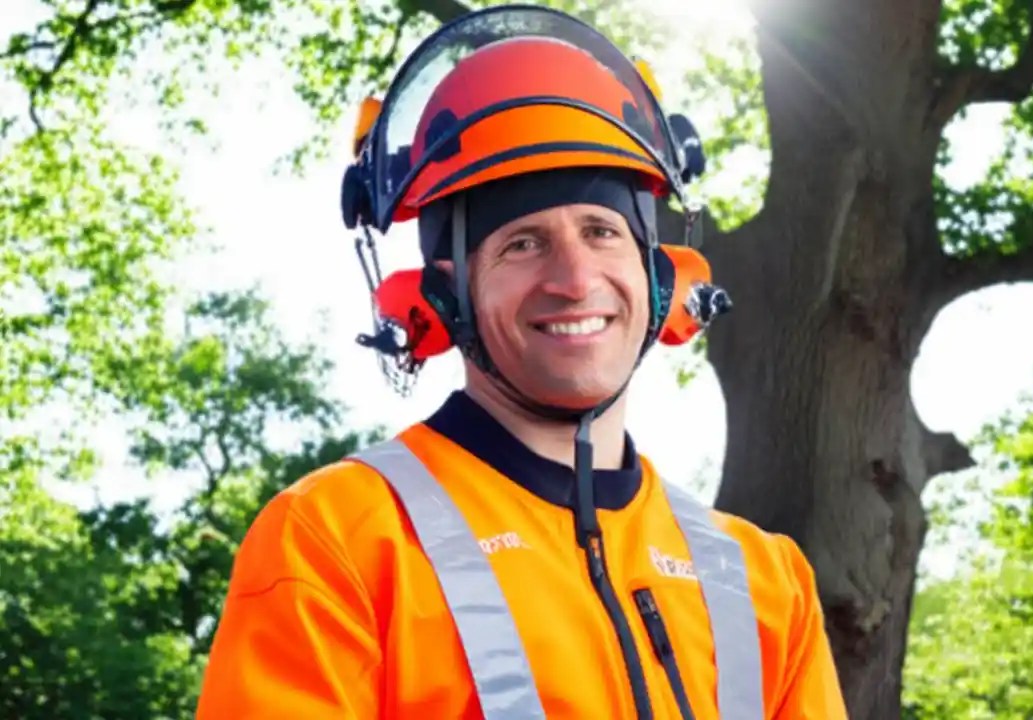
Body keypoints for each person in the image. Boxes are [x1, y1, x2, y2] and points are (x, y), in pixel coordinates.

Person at [196, 5, 847, 719]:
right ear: (443, 291)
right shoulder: (338, 541)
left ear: (663, 276)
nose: (574, 278)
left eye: (602, 231)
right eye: (522, 244)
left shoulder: (766, 580)